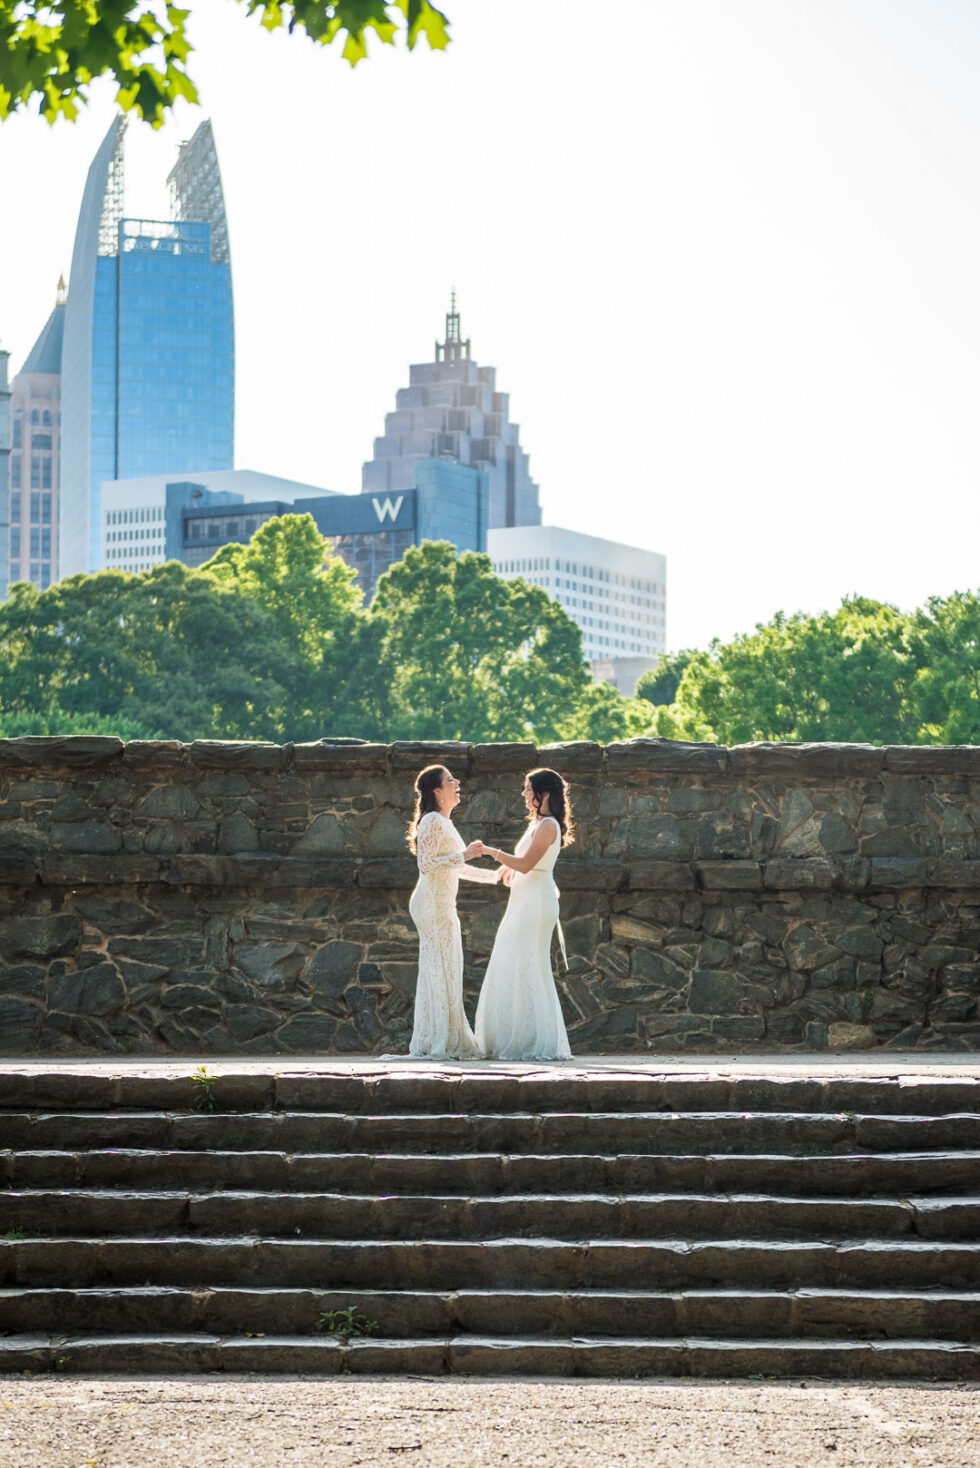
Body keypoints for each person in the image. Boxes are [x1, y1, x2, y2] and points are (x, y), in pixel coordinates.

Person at [474, 768, 573, 1061]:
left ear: (543, 794)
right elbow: (525, 862)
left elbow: (528, 864)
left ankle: (532, 1040)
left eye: (528, 789)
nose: (523, 794)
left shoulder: (548, 826)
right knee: (513, 960)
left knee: (529, 962)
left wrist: (493, 853)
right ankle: (514, 1034)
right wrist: (509, 867)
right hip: (524, 899)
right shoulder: (538, 824)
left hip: (536, 903)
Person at [407, 764, 498, 1059]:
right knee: (439, 968)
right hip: (430, 904)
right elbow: (426, 865)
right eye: (450, 780)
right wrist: (466, 853)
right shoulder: (431, 820)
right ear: (437, 790)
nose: (457, 783)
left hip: (443, 904)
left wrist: (496, 877)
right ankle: (438, 1039)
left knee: (449, 968)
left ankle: (447, 1037)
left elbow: (457, 867)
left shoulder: (443, 821)